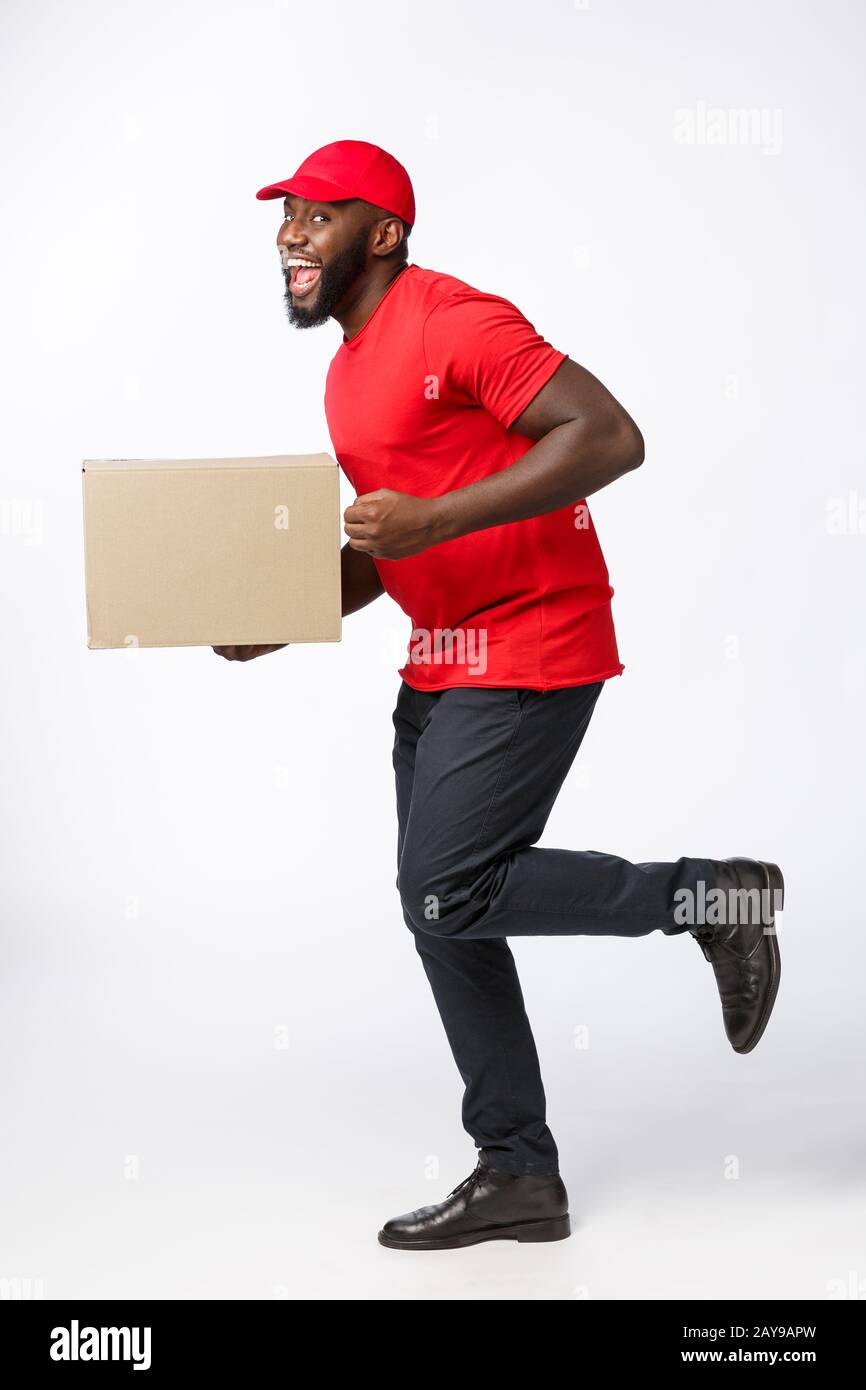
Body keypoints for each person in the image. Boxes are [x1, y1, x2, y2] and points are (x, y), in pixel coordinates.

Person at [214, 140, 784, 1252]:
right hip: (437, 655)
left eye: (316, 214)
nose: (290, 230)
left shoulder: (453, 321)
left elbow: (609, 436)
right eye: (283, 213)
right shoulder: (345, 369)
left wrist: (432, 520)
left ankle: (711, 896)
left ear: (379, 233)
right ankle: (517, 1172)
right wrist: (284, 609)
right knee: (444, 915)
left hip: (532, 640)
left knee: (445, 892)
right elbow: (393, 542)